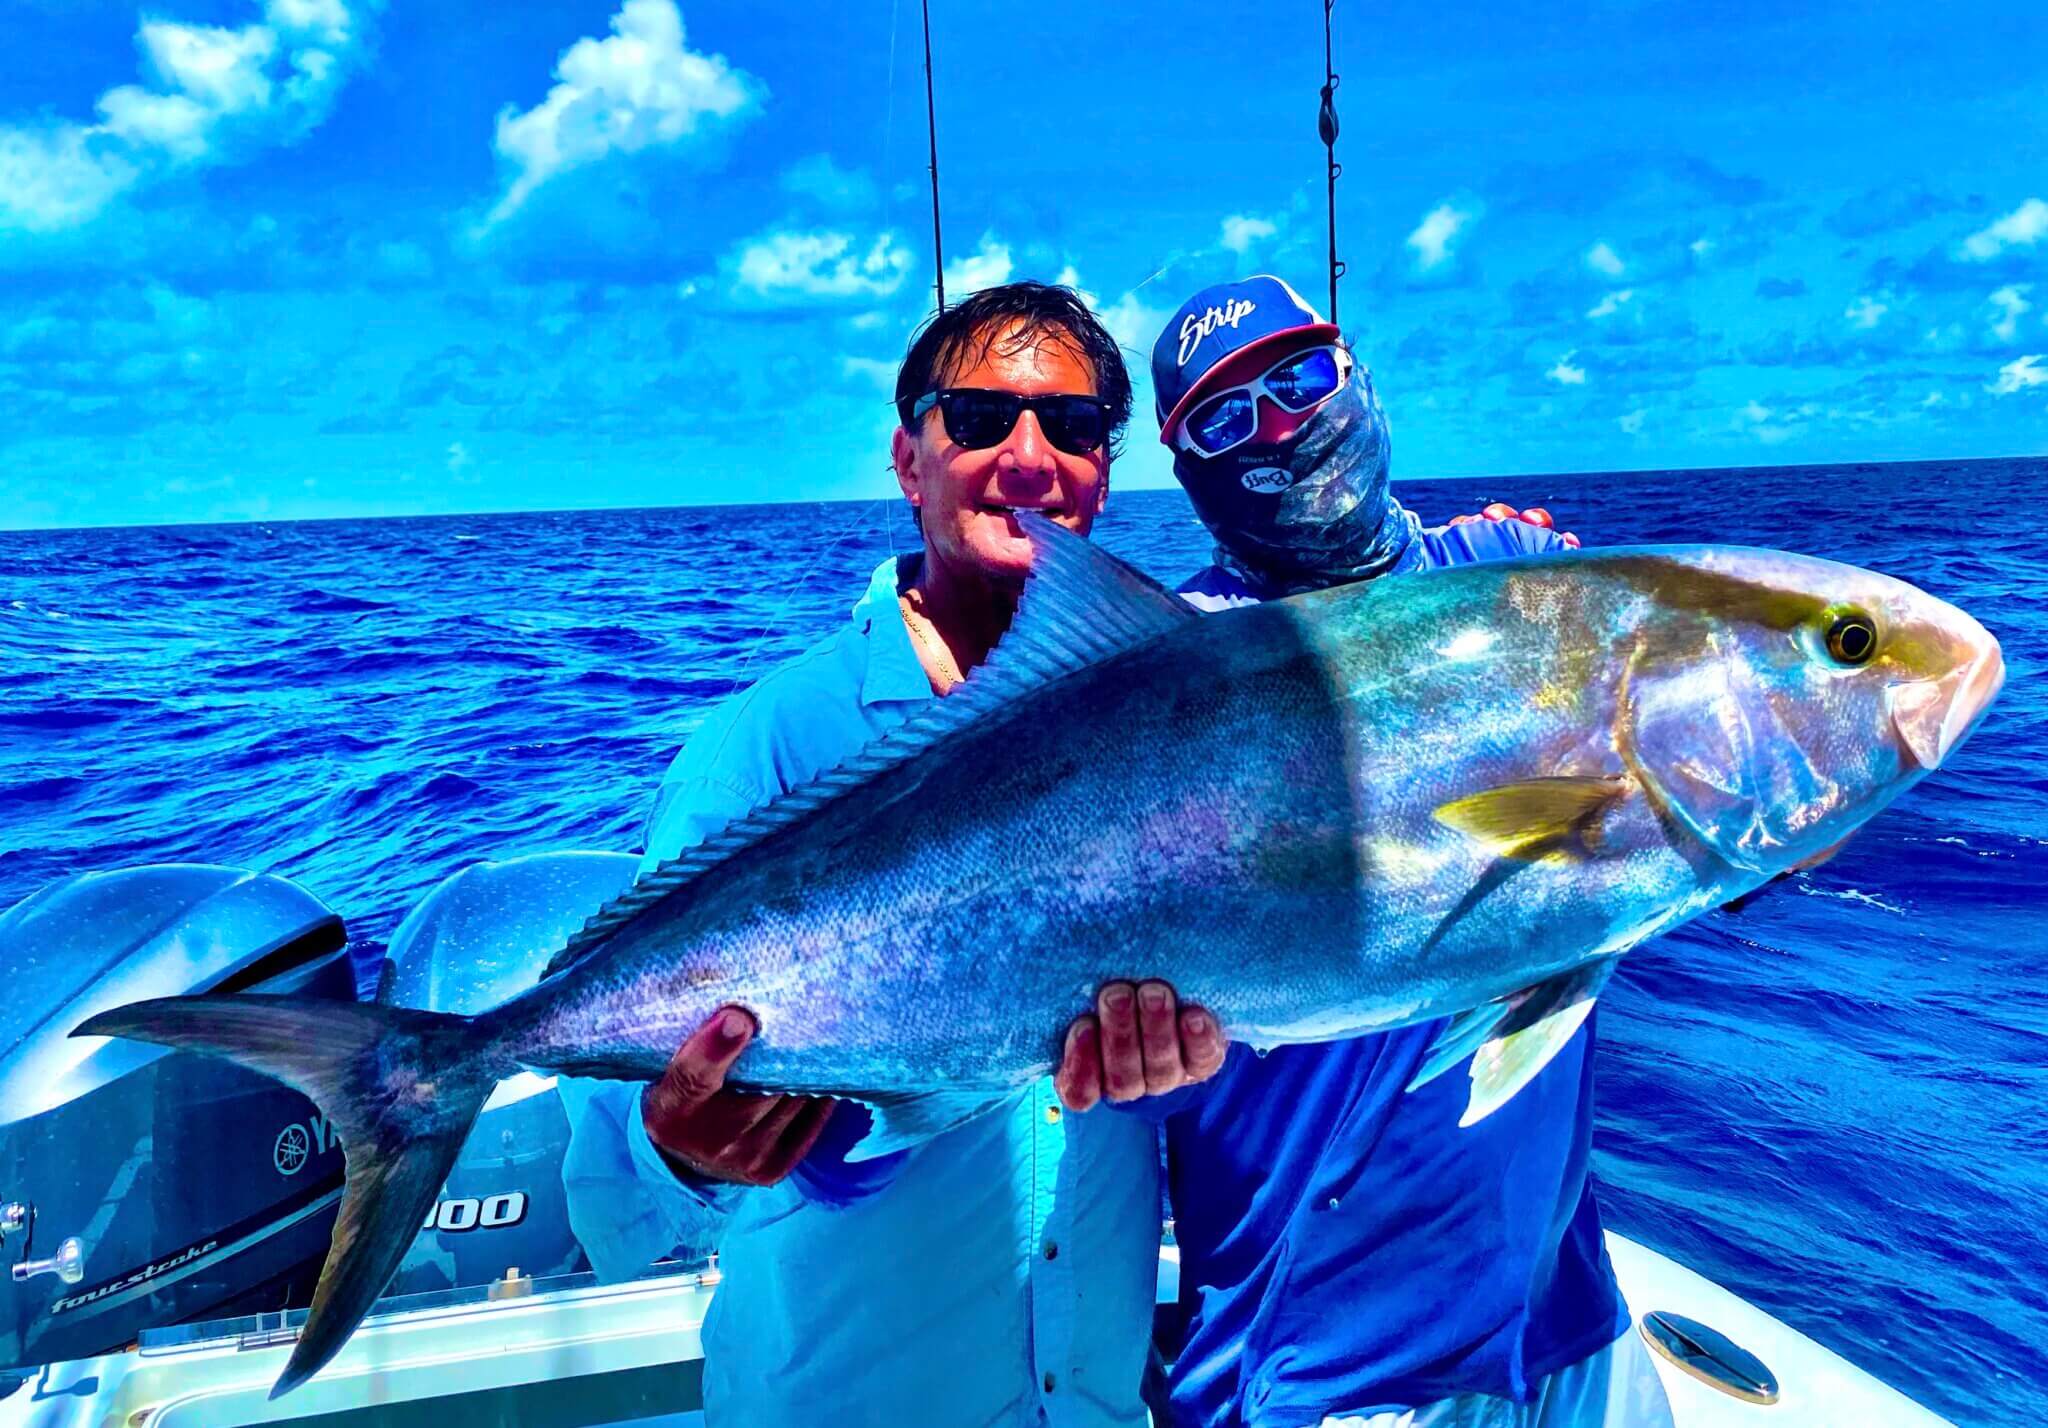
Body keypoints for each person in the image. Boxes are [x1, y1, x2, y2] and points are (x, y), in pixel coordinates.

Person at [554, 281, 1226, 1427]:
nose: (1028, 458)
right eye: (975, 418)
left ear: (1105, 473)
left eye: (1070, 428)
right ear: (908, 459)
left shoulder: (1179, 732)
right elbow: (613, 1182)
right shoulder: (769, 744)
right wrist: (686, 1149)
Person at [1060, 275, 1673, 1428]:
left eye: (1297, 380)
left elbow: (1679, 772)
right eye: (1226, 420)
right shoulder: (1164, 680)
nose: (1281, 428)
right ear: (1187, 473)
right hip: (1321, 1376)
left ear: (1356, 376)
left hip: (1563, 1327)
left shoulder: (1510, 572)